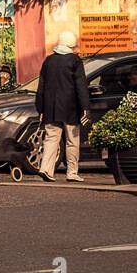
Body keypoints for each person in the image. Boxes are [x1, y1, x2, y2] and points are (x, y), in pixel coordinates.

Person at [34, 31, 90, 183]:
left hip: (51, 108)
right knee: (72, 140)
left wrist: (40, 108)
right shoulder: (75, 61)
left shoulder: (48, 61)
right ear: (72, 45)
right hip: (70, 108)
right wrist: (86, 107)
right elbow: (81, 86)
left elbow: (41, 87)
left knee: (51, 139)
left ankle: (46, 169)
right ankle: (72, 173)